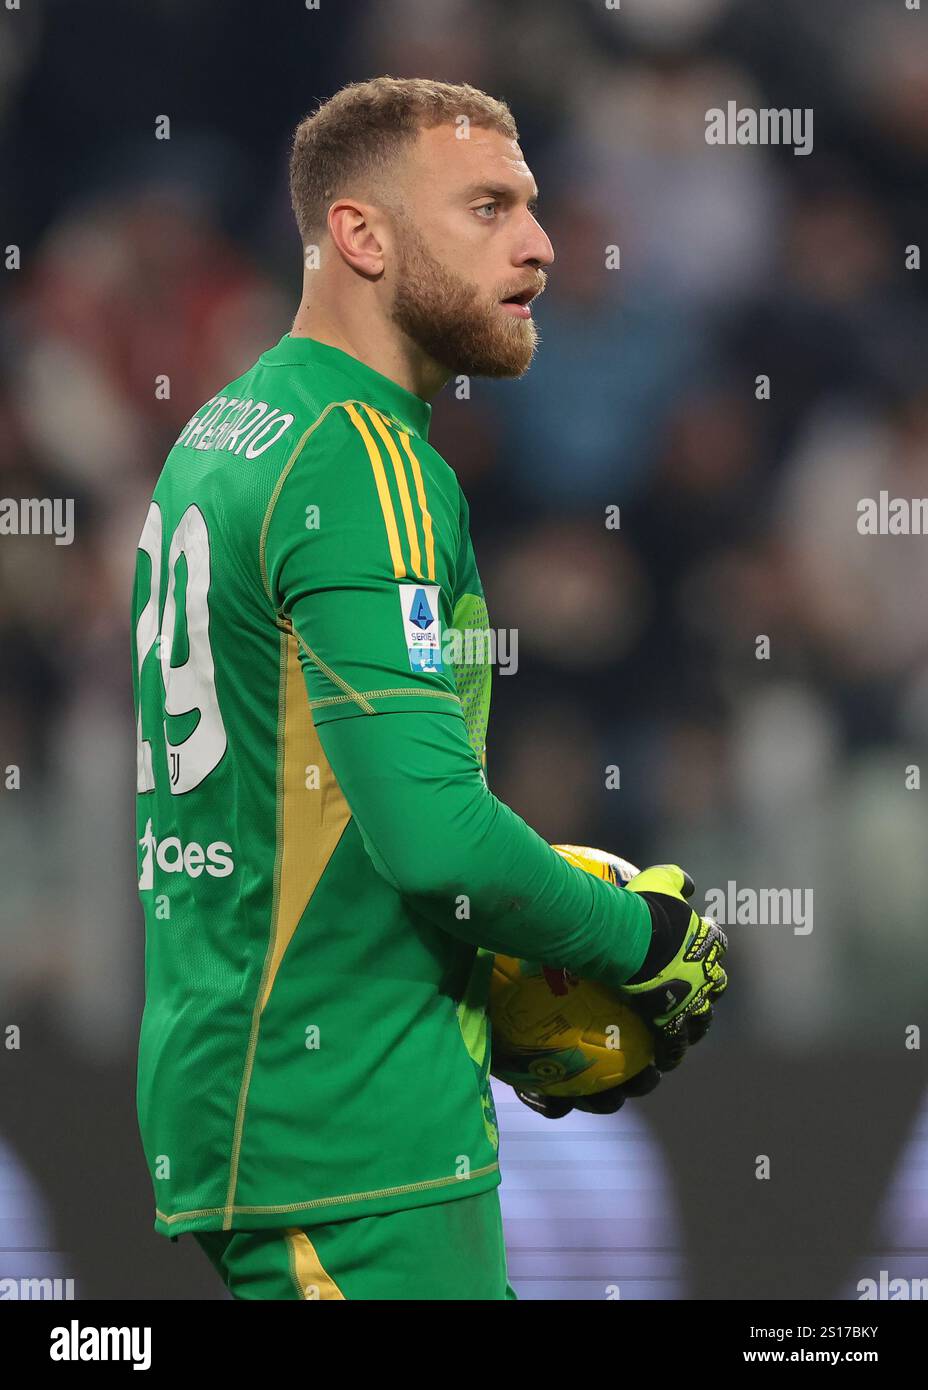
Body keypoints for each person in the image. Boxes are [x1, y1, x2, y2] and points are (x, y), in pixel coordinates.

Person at [131, 76, 727, 1301]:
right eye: (488, 208)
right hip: (350, 1131)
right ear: (362, 235)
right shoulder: (366, 458)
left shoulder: (228, 427)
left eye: (534, 206)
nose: (542, 242)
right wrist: (643, 942)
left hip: (261, 1085)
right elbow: (436, 839)